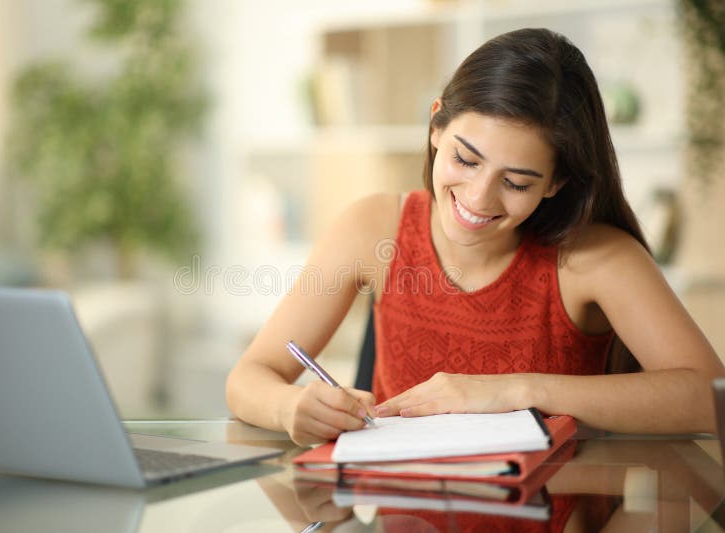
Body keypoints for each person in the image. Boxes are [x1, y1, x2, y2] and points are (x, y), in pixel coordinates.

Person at [225, 28, 725, 446]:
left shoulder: (594, 258)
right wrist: (293, 407)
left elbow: (709, 398)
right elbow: (250, 377)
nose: (479, 199)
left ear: (555, 183)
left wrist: (516, 391)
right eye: (466, 159)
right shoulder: (372, 229)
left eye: (517, 182)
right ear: (436, 124)